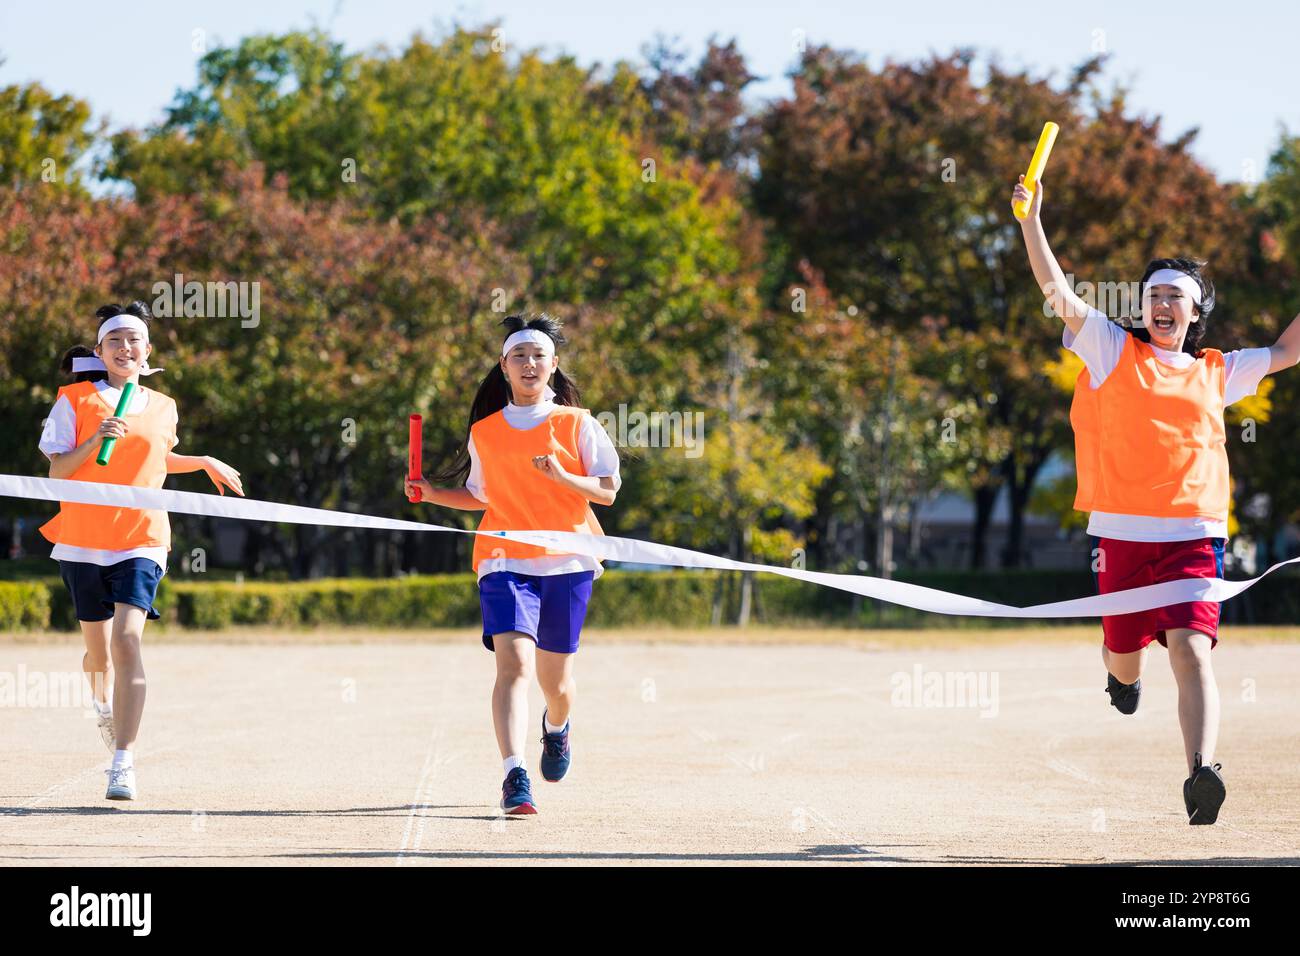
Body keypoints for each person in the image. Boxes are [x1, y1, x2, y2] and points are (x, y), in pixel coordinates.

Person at [1013, 175, 1300, 824]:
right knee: (1123, 648)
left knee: (1191, 649)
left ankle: (1201, 772)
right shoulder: (1113, 350)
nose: (1163, 305)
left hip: (1196, 537)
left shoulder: (1217, 371)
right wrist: (1031, 221)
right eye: (1154, 297)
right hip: (1122, 535)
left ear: (1196, 313)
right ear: (1142, 309)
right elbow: (1057, 293)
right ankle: (1122, 679)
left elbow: (1286, 349)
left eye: (1176, 297)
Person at [405, 313, 621, 815]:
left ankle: (557, 727)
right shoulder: (485, 431)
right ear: (504, 367)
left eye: (538, 356)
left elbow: (607, 493)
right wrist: (433, 492)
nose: (529, 364)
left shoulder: (578, 423)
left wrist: (565, 477)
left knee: (557, 684)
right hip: (502, 559)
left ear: (554, 365)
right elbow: (480, 495)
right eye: (519, 356)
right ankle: (513, 776)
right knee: (513, 666)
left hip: (567, 559)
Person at [40, 302, 244, 800]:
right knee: (96, 651)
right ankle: (103, 709)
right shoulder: (75, 399)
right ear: (100, 351)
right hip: (83, 538)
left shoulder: (163, 405)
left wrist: (202, 461)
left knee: (126, 639)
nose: (125, 348)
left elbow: (156, 459)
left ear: (147, 350)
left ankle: (123, 761)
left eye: (134, 341)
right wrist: (95, 441)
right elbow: (57, 472)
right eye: (115, 341)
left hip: (142, 536)